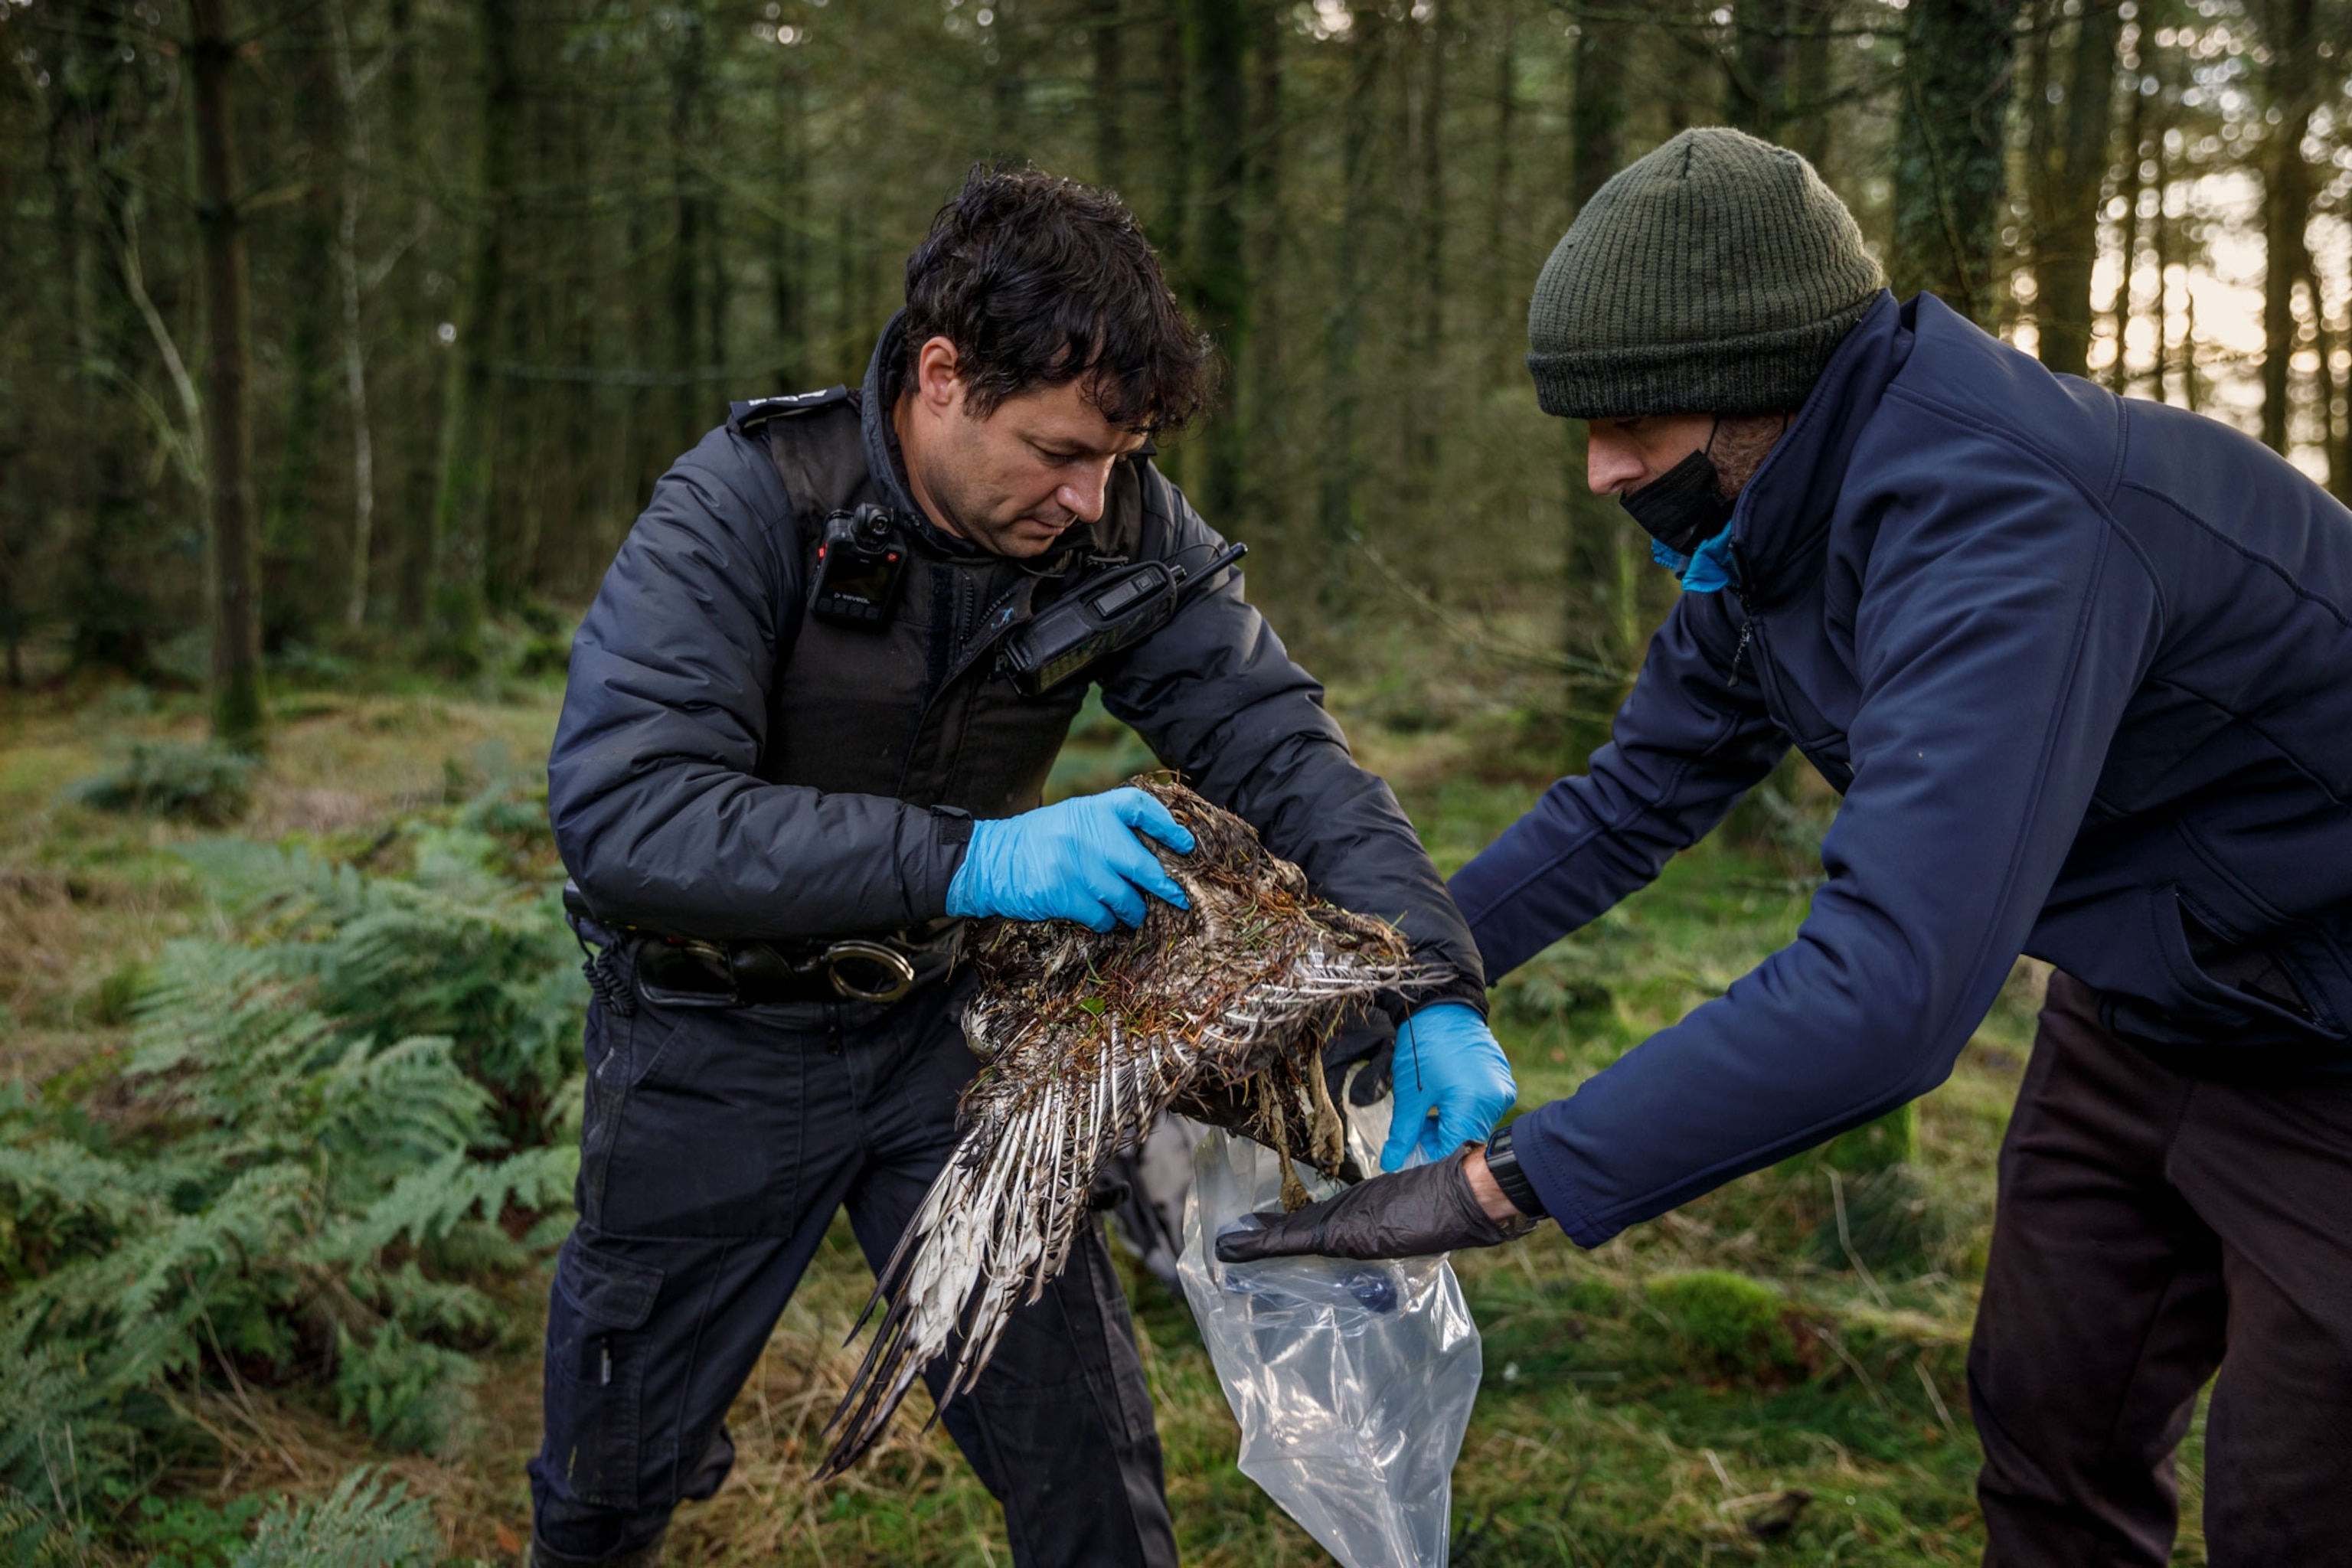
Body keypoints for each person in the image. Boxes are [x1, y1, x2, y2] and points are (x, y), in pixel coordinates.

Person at [1220, 127, 2352, 1564]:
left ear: (1773, 388)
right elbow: (1629, 800)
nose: (1600, 471)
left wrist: (1506, 1182)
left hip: (2334, 1033)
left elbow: (1889, 993)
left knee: (2301, 1502)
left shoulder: (2011, 527)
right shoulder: (1775, 529)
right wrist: (1379, 979)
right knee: (2049, 1425)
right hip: (2148, 1000)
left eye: (1635, 426)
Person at [526, 166, 1516, 1567]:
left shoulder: (1117, 525)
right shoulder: (748, 504)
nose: (1088, 495)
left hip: (952, 1050)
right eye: (1057, 451)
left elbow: (1278, 747)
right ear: (942, 376)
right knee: (610, 1477)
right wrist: (977, 858)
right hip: (707, 1044)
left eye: (1115, 458)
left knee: (1086, 1468)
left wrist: (1432, 984)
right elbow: (629, 818)